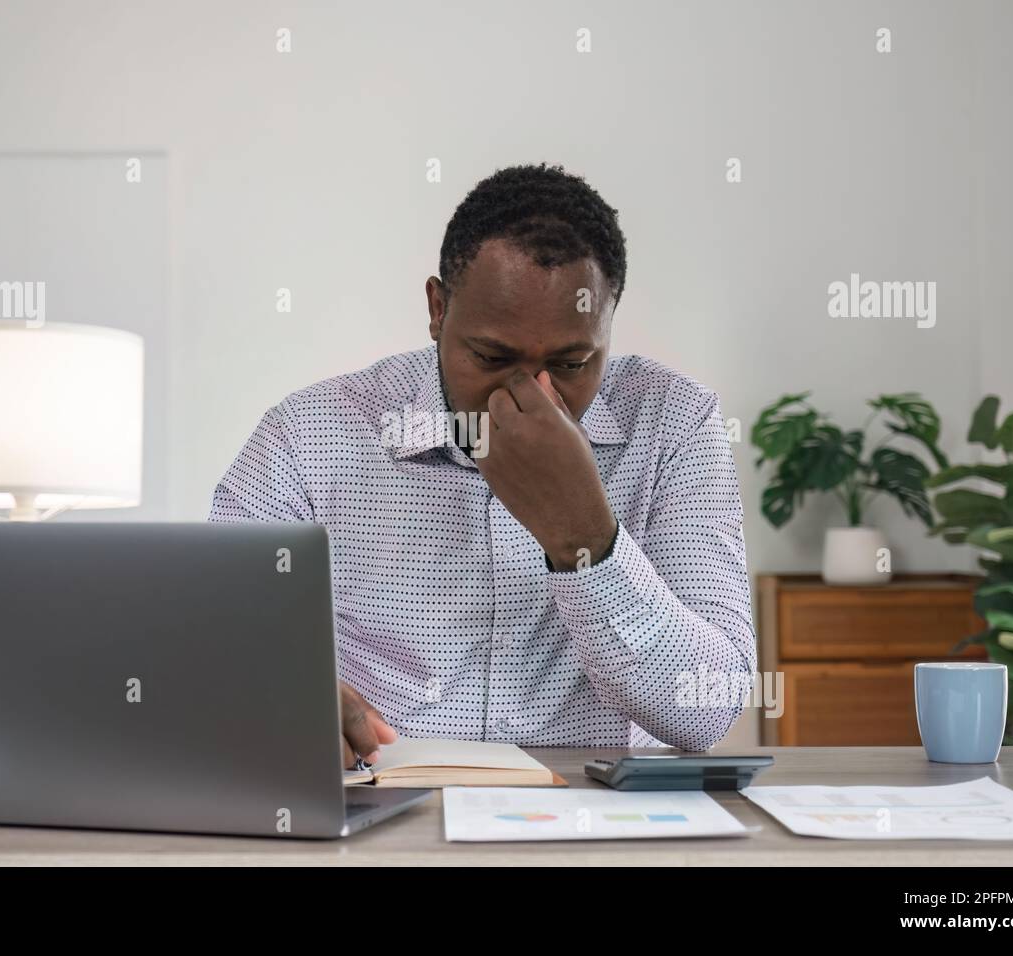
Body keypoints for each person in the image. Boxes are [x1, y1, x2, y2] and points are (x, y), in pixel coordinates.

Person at [210, 163, 755, 767]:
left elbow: (708, 710)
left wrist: (582, 535)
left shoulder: (676, 424)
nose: (535, 394)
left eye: (573, 363)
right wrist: (279, 694)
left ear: (607, 325)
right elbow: (216, 639)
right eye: (493, 356)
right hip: (382, 806)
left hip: (594, 818)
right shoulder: (309, 433)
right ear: (438, 308)